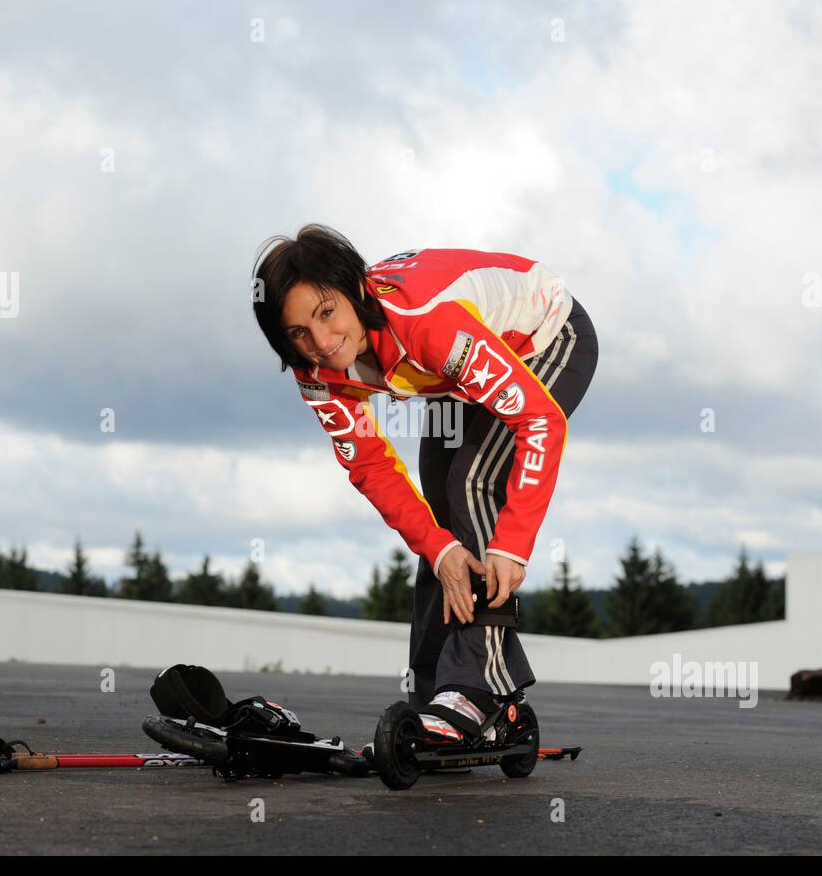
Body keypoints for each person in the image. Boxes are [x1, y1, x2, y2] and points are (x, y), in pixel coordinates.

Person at [251, 225, 598, 743]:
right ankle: (434, 690)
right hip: (452, 376)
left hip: (546, 337)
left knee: (472, 484)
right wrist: (439, 548)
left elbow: (540, 422)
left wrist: (512, 544)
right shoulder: (315, 372)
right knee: (439, 527)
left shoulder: (426, 325)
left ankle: (480, 687)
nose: (321, 343)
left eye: (327, 313)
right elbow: (370, 467)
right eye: (298, 332)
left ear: (356, 290)